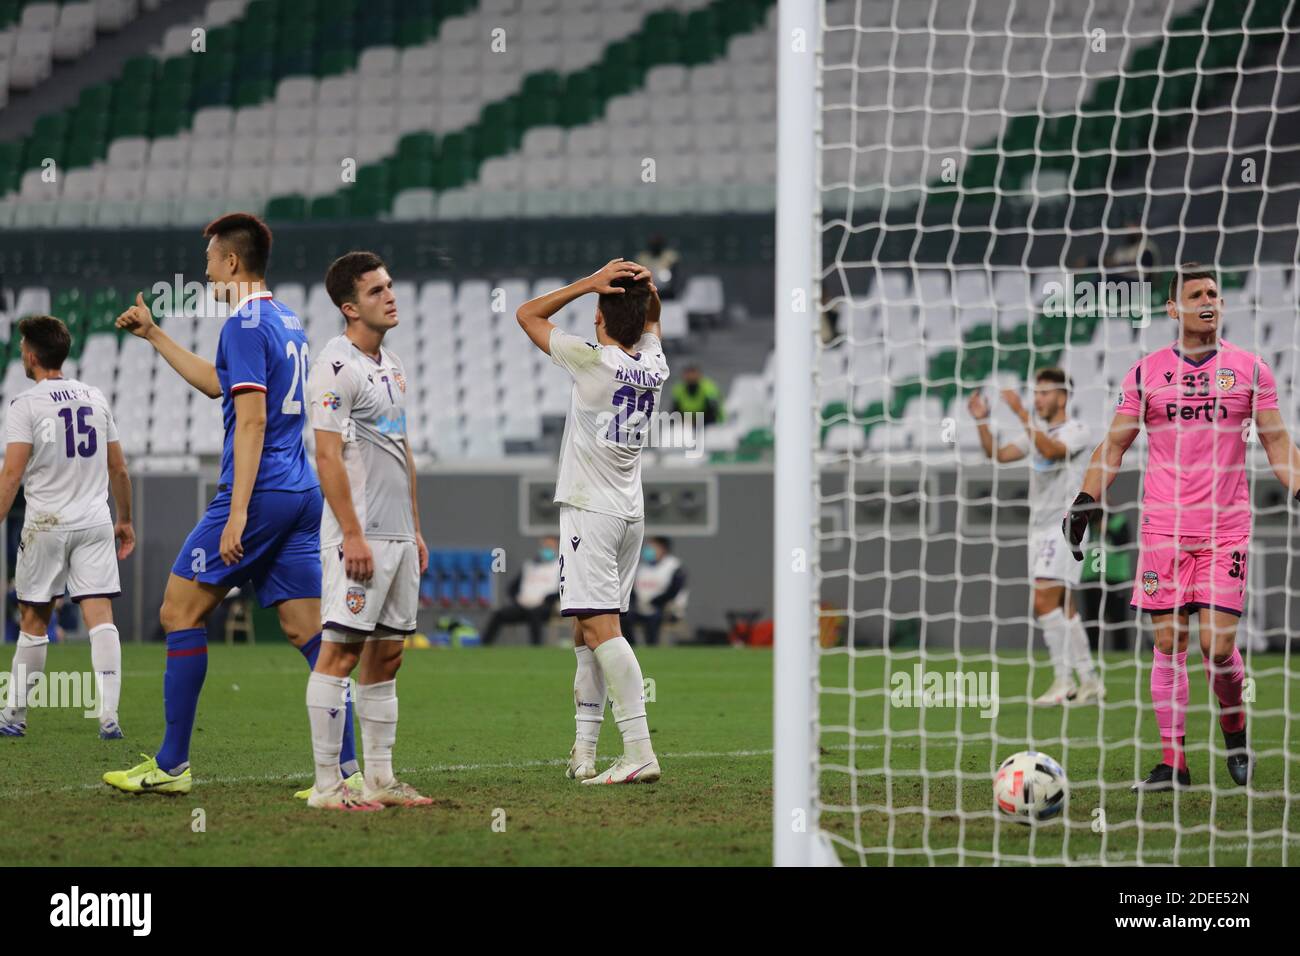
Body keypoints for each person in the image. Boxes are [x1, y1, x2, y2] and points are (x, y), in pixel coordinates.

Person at [103, 212, 350, 796]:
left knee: (177, 613)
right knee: (307, 630)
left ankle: (170, 766)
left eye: (211, 258)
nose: (206, 268)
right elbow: (220, 384)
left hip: (258, 493)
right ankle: (346, 768)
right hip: (300, 493)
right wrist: (156, 334)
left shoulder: (241, 322)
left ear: (232, 263)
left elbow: (252, 418)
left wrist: (236, 511)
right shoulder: (285, 319)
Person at [1065, 262, 1300, 792]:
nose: (1208, 301)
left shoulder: (1251, 370)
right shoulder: (1146, 373)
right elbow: (1115, 445)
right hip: (1162, 532)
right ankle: (1175, 765)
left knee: (1217, 649)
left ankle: (1234, 727)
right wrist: (1085, 498)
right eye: (1195, 294)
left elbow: (1278, 444)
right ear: (1174, 309)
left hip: (1225, 530)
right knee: (1168, 643)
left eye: (1214, 292)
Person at [516, 258, 668, 785]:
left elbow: (527, 314)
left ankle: (640, 750)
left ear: (600, 318)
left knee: (601, 630)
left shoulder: (592, 360)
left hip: (591, 510)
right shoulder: (654, 364)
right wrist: (644, 290)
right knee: (587, 631)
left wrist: (588, 282)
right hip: (630, 512)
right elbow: (651, 323)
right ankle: (583, 751)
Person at [302, 250, 431, 811]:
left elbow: (402, 449)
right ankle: (329, 786)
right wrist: (352, 535)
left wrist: (416, 530)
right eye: (377, 290)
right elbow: (325, 455)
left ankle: (380, 778)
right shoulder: (335, 367)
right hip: (359, 537)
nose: (391, 295)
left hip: (398, 535)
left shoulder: (393, 365)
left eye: (390, 285)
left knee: (388, 655)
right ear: (349, 307)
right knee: (341, 652)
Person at [0, 315, 134, 739]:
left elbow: (11, 476)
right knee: (100, 617)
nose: (21, 352)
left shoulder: (26, 405)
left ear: (33, 355)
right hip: (95, 521)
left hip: (47, 525)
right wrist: (125, 519)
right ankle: (109, 714)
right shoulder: (95, 397)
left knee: (34, 619)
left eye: (23, 346)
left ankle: (14, 716)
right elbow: (118, 467)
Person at [968, 367, 1103, 705]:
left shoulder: (1078, 431)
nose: (1038, 398)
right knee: (1064, 606)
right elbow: (997, 455)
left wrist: (1020, 412)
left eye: (1044, 393)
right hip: (1039, 527)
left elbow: (1054, 451)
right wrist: (982, 421)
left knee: (1042, 601)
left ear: (1062, 396)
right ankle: (1089, 680)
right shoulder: (1035, 433)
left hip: (1065, 525)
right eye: (1035, 393)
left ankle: (1062, 681)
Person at [481, 537, 560, 646]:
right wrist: (517, 599)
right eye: (545, 546)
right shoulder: (529, 566)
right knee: (499, 614)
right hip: (523, 606)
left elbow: (562, 591)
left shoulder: (559, 566)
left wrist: (547, 599)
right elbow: (512, 588)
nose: (547, 549)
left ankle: (536, 648)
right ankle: (484, 645)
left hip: (545, 607)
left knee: (535, 614)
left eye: (550, 546)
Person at [622, 536, 687, 647]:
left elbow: (674, 591)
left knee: (654, 618)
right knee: (624, 617)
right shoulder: (642, 567)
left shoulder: (674, 566)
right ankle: (632, 647)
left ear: (663, 549)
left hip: (664, 608)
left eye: (653, 547)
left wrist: (655, 602)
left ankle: (652, 648)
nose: (648, 549)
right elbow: (632, 590)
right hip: (641, 607)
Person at [636, 234, 679, 300]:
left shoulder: (670, 256)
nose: (655, 246)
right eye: (653, 244)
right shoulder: (642, 258)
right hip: (647, 288)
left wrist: (673, 287)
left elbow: (676, 274)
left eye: (658, 244)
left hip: (666, 289)